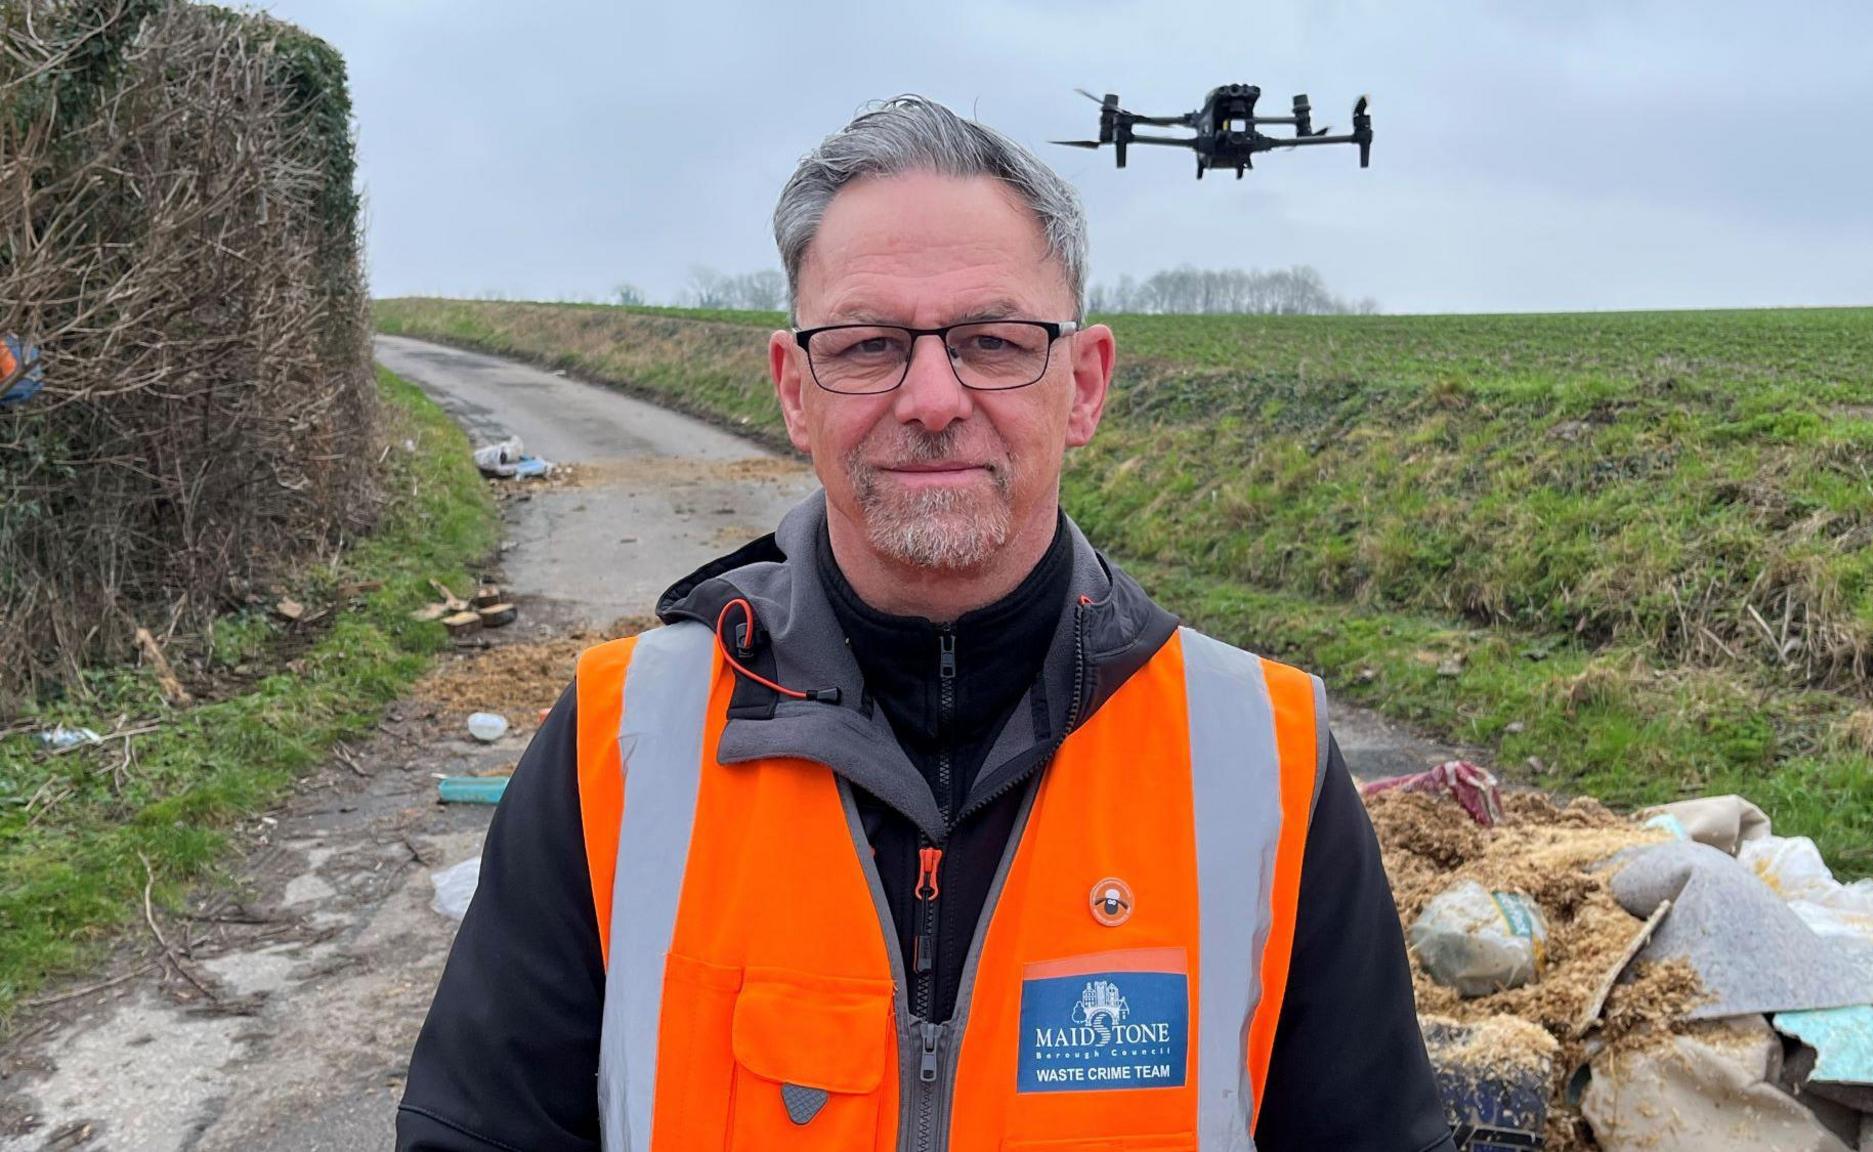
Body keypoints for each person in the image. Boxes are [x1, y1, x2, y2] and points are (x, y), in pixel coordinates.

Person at [396, 94, 1450, 1152]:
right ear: (794, 389)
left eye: (993, 341)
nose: (933, 397)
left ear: (1082, 388)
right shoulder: (618, 743)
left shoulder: (1261, 758)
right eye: (866, 345)